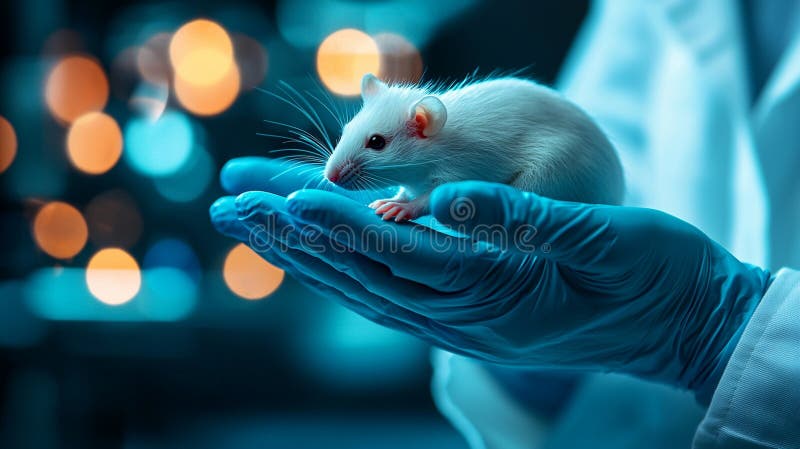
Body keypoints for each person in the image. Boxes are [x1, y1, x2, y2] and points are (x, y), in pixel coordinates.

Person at [209, 0, 800, 447]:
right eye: (349, 145)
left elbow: (463, 183)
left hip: (557, 170)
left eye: (376, 145)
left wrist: (715, 330)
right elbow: (632, 154)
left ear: (422, 123)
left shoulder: (445, 141)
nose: (339, 168)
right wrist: (546, 359)